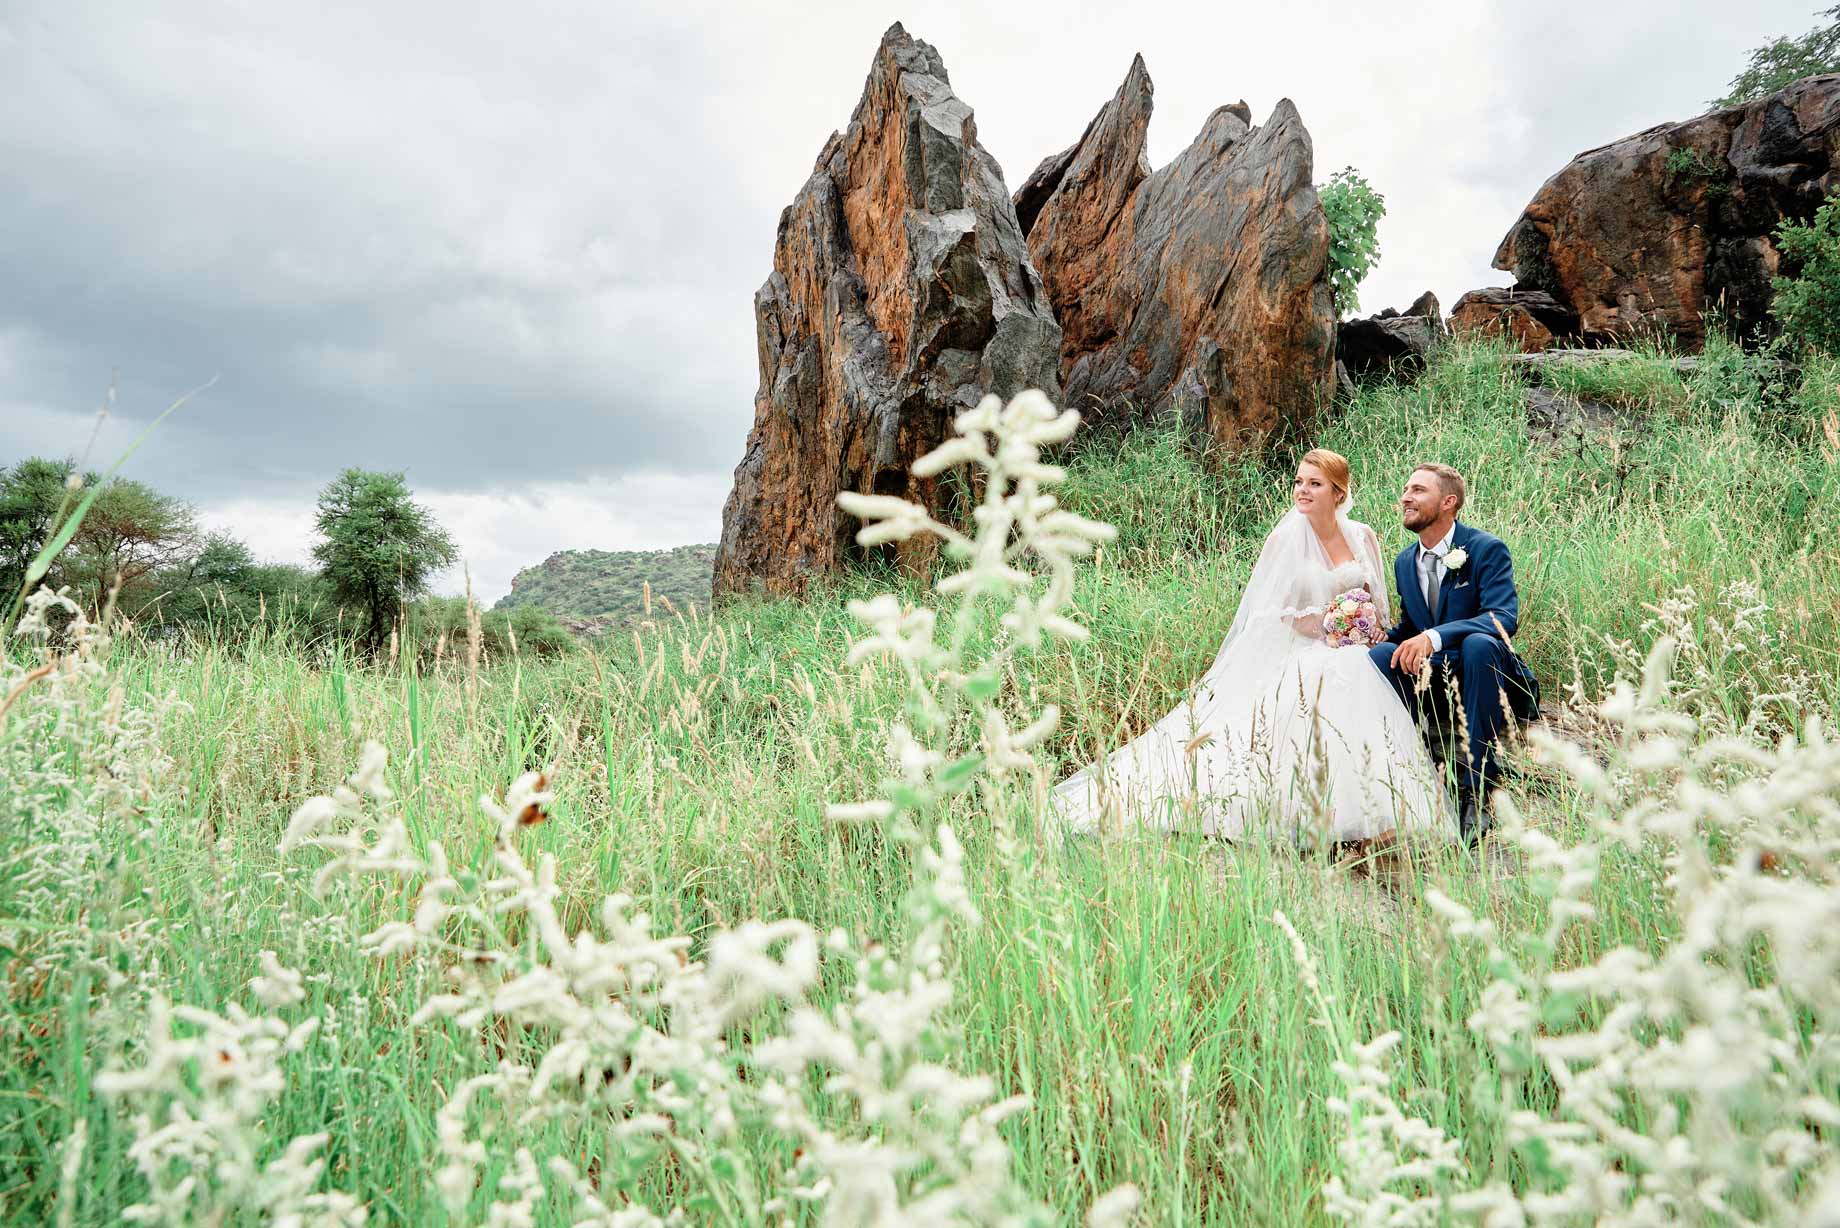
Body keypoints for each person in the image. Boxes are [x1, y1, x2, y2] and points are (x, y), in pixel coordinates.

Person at [1052, 450, 1452, 844]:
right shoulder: (1283, 539)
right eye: (1299, 482)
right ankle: (1310, 809)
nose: (1303, 490)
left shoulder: (1363, 536)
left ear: (1338, 492)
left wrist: (1366, 629)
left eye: (1315, 484)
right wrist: (1329, 626)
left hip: (1352, 645)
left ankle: (1375, 806)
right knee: (1328, 672)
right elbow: (1276, 610)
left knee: (1357, 667)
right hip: (1304, 644)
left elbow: (1376, 601)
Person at [1369, 463, 1540, 844]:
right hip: (1439, 685)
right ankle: (1421, 766)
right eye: (1405, 489)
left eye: (1418, 491)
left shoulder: (1484, 549)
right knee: (1381, 655)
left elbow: (1502, 618)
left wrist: (1434, 636)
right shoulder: (1403, 561)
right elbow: (1413, 628)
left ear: (1448, 502)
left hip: (1489, 678)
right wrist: (1371, 638)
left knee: (1480, 642)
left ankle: (1479, 785)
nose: (1406, 498)